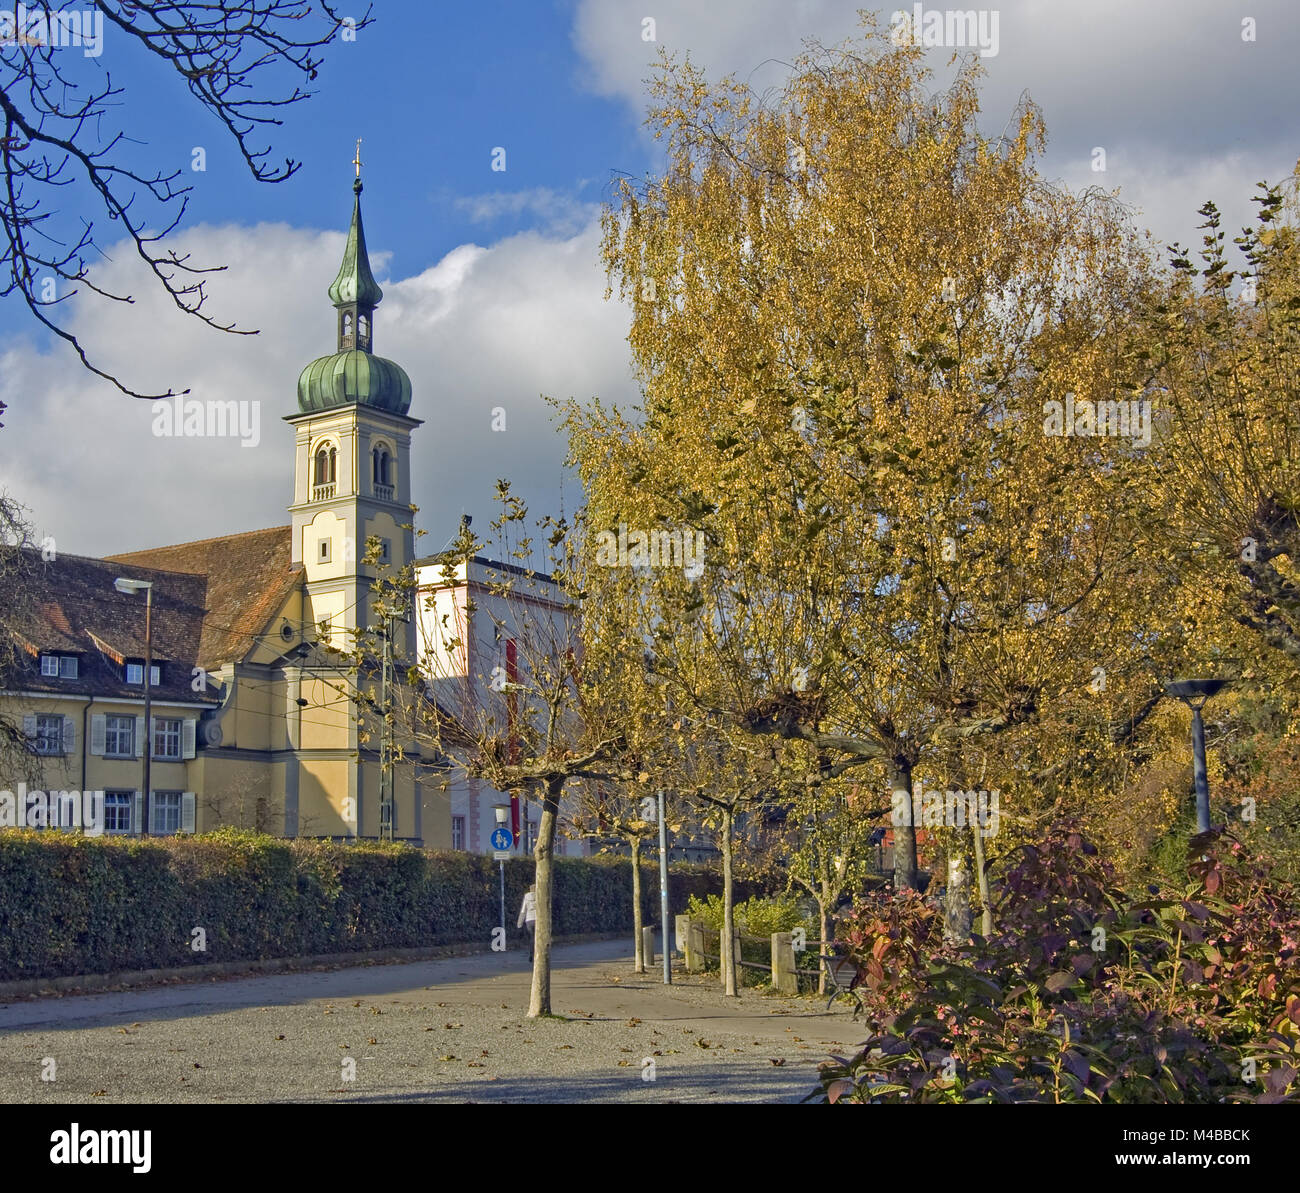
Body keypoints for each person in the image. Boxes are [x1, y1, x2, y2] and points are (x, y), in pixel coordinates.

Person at [517, 884, 538, 962]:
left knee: (532, 938)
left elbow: (523, 911)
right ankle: (538, 954)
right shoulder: (540, 896)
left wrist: (519, 924)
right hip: (538, 920)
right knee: (539, 938)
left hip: (529, 920)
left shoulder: (526, 897)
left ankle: (531, 953)